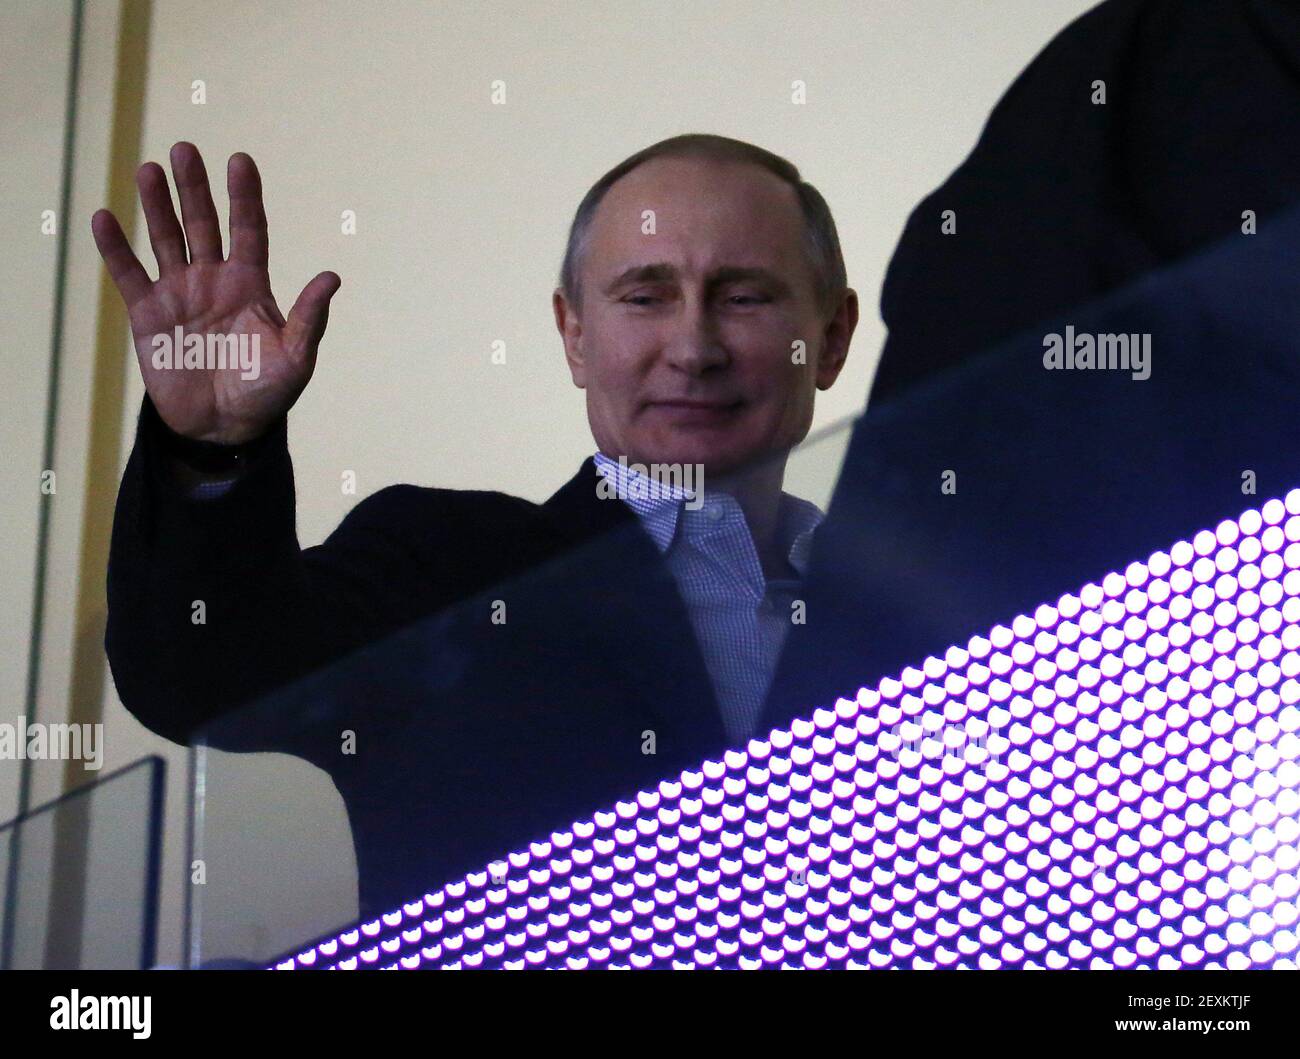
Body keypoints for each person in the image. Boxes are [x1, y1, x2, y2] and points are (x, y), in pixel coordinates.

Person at [95, 134, 859, 911]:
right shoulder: (445, 567)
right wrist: (213, 446)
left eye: (743, 297)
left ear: (830, 338)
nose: (694, 349)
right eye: (644, 297)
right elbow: (201, 677)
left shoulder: (925, 601)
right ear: (575, 337)